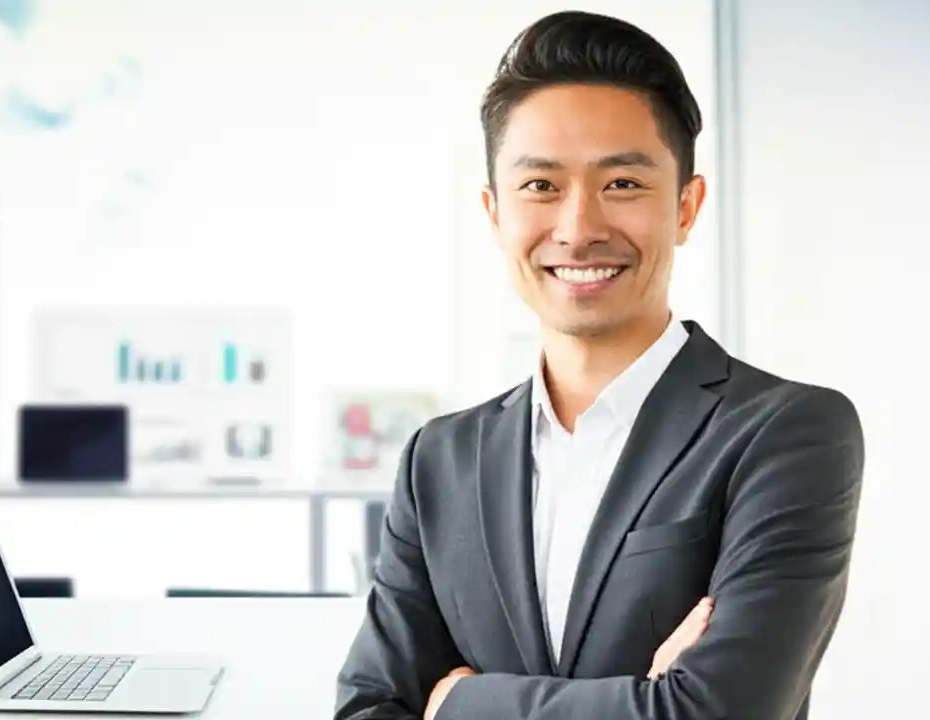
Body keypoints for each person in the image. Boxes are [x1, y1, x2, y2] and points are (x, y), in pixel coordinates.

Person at [334, 11, 863, 720]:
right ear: (494, 213)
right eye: (540, 186)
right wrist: (647, 701)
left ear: (686, 206)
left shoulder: (787, 432)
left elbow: (719, 712)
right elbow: (367, 707)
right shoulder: (440, 459)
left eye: (622, 184)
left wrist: (459, 703)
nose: (579, 228)